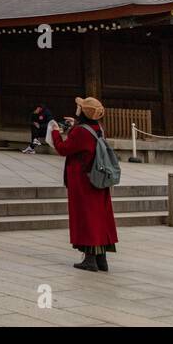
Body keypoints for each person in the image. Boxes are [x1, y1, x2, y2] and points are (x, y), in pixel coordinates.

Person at [49, 97, 119, 272]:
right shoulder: (98, 128)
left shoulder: (80, 132)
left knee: (86, 217)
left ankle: (90, 259)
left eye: (79, 107)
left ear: (83, 111)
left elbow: (63, 149)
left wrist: (55, 132)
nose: (77, 108)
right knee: (100, 217)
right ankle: (101, 258)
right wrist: (74, 126)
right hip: (99, 177)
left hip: (83, 179)